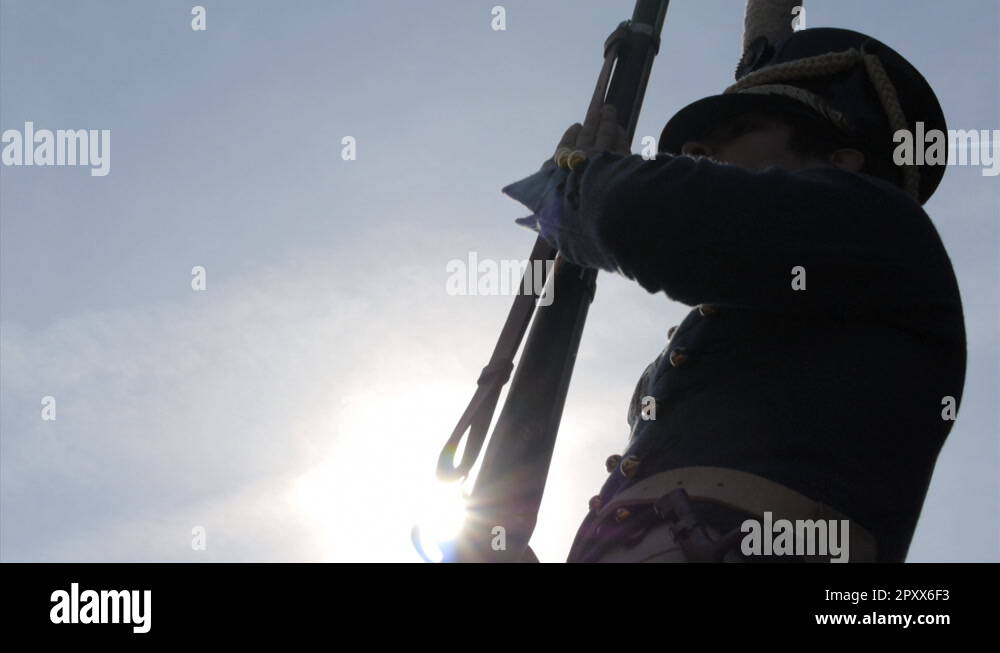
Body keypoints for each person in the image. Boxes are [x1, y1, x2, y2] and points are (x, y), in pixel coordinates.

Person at [502, 27, 966, 562]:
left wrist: (576, 187)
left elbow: (644, 215)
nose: (696, 150)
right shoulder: (759, 316)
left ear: (842, 162)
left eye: (742, 128)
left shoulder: (882, 226)